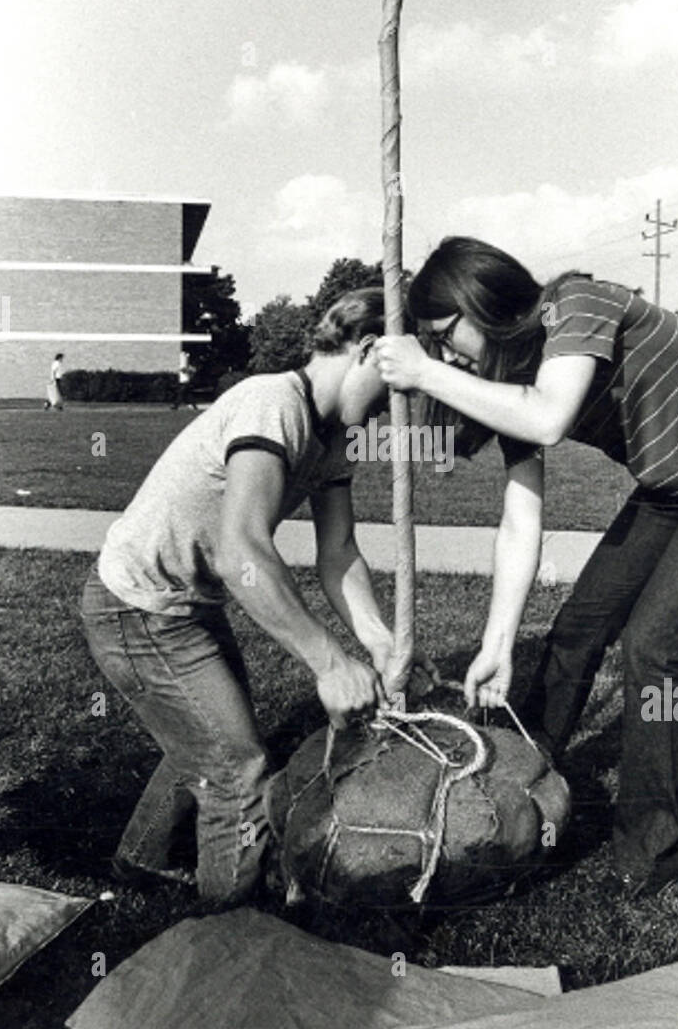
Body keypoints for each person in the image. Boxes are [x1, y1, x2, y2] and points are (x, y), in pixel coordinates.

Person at [374, 236, 678, 899]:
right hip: (668, 486)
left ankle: (656, 846)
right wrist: (495, 645)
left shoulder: (578, 303)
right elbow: (521, 516)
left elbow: (547, 420)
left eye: (442, 332)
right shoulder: (509, 382)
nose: (442, 351)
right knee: (577, 627)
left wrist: (422, 373)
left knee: (654, 642)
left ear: (477, 302)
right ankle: (515, 776)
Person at [81, 288, 427, 908]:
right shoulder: (274, 404)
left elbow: (339, 550)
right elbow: (242, 551)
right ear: (370, 349)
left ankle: (138, 864)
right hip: (137, 608)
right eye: (397, 383)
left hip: (184, 606)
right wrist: (328, 662)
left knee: (208, 738)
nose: (396, 405)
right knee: (237, 771)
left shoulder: (331, 437)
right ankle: (231, 938)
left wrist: (376, 640)